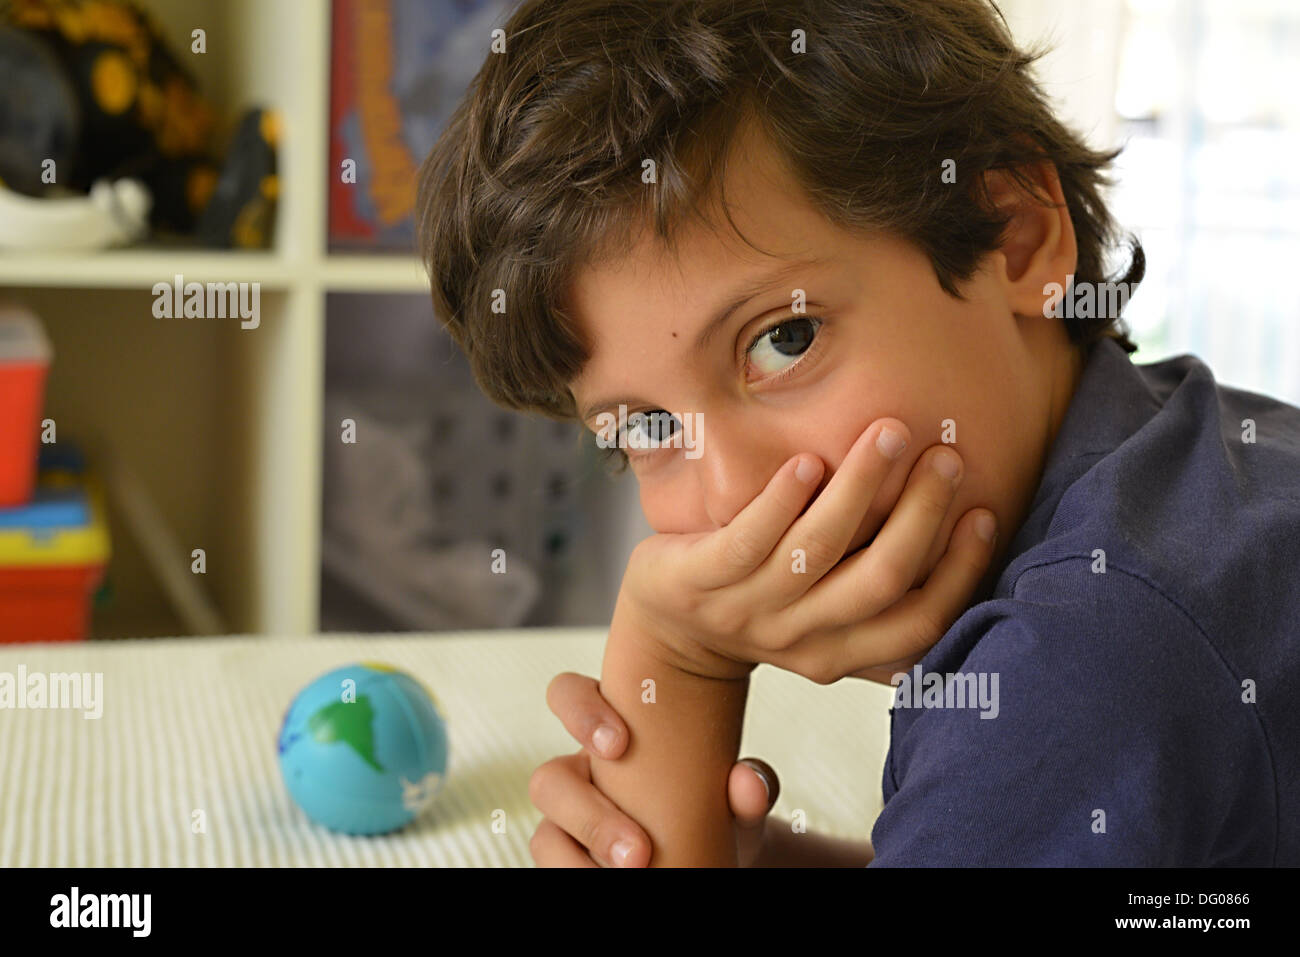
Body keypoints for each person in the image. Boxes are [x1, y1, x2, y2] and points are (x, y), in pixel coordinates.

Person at [417, 0, 1300, 865]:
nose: (731, 493)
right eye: (645, 425)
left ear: (1017, 236)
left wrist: (677, 661)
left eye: (784, 339)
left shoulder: (1083, 660)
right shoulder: (1184, 447)